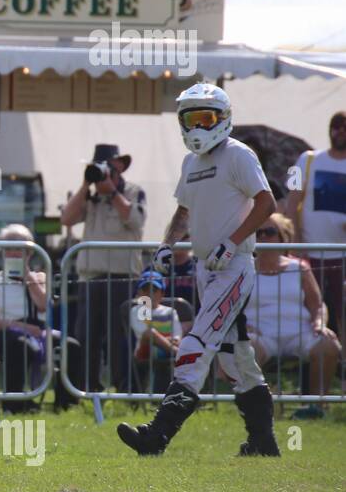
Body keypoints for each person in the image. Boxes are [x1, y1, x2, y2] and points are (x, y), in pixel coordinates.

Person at [117, 83, 280, 457]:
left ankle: (157, 435)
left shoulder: (238, 155)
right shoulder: (191, 163)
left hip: (234, 267)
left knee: (196, 342)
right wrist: (166, 244)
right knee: (233, 357)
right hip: (207, 268)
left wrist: (234, 240)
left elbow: (266, 202)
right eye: (191, 119)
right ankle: (263, 441)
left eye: (206, 118)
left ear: (223, 119)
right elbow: (183, 211)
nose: (198, 128)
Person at [60, 144, 147, 393]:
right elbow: (66, 219)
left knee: (120, 338)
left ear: (119, 166)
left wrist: (112, 193)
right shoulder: (89, 197)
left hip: (123, 278)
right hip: (91, 277)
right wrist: (86, 185)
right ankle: (88, 388)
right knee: (86, 336)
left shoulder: (133, 191)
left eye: (108, 166)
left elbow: (136, 220)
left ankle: (125, 389)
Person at [249, 213, 341, 418]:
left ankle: (315, 406)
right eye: (258, 233)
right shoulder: (243, 269)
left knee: (330, 345)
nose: (263, 238)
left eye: (270, 232)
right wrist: (241, 326)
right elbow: (234, 307)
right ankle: (259, 409)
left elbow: (317, 305)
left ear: (283, 238)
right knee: (245, 349)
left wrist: (320, 324)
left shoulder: (299, 268)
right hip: (261, 335)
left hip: (301, 332)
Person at [0, 223, 59, 412]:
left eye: (22, 249)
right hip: (4, 333)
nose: (15, 254)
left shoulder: (38, 277)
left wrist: (28, 277)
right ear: (2, 251)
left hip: (37, 331)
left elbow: (43, 305)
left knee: (70, 345)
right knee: (19, 343)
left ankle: (64, 403)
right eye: (10, 249)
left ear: (30, 253)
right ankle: (14, 404)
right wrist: (22, 327)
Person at [284, 110, 346, 344]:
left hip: (343, 254)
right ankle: (310, 359)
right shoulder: (306, 159)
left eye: (345, 126)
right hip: (309, 255)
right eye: (336, 125)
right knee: (309, 311)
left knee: (343, 314)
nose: (340, 131)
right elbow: (292, 201)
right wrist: (295, 243)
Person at [129, 270, 183, 393]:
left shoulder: (170, 312)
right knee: (150, 333)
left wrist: (173, 340)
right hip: (145, 350)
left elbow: (177, 334)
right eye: (145, 290)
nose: (150, 294)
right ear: (139, 293)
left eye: (154, 290)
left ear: (162, 293)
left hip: (165, 351)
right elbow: (143, 333)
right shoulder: (137, 310)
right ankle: (179, 354)